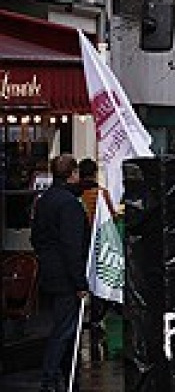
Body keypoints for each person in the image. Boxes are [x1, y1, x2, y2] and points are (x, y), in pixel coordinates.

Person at [30, 155, 89, 392]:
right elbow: (72, 246)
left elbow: (36, 237)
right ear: (73, 174)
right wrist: (80, 282)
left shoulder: (44, 200)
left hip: (50, 271)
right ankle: (51, 376)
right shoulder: (69, 205)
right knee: (65, 329)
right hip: (65, 275)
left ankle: (63, 373)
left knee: (63, 326)